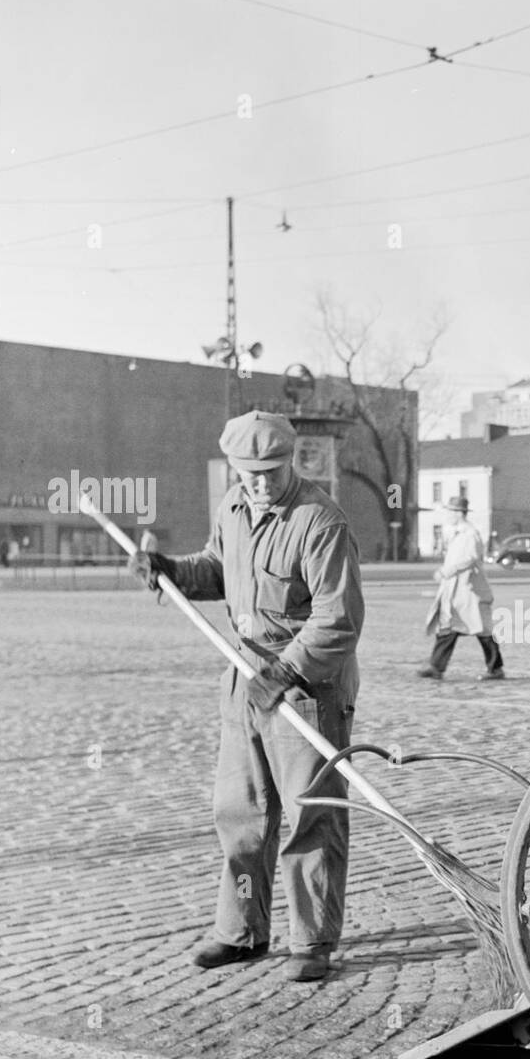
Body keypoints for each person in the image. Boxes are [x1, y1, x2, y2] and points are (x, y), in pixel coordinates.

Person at [129, 411, 364, 983]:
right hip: (243, 682)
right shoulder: (234, 508)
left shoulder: (319, 521)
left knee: (313, 816)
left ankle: (311, 941)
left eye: (271, 470)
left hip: (308, 689)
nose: (260, 482)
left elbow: (340, 619)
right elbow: (218, 568)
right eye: (248, 472)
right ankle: (240, 933)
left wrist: (285, 673)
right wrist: (169, 571)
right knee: (239, 814)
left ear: (291, 460)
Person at [418, 496, 505, 681]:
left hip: (470, 591)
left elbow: (471, 558)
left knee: (482, 630)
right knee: (447, 626)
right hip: (456, 590)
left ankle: (496, 668)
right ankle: (436, 666)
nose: (448, 515)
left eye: (450, 511)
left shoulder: (469, 533)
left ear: (459, 513)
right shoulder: (457, 533)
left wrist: (446, 571)